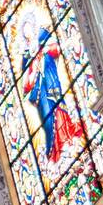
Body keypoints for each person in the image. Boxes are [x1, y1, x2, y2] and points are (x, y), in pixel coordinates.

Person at [19, 11, 83, 164]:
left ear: (33, 27)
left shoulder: (43, 36)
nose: (27, 31)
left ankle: (66, 140)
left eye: (28, 27)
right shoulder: (26, 54)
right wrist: (33, 72)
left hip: (51, 81)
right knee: (46, 119)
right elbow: (24, 83)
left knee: (58, 108)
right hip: (39, 91)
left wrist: (45, 50)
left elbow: (56, 48)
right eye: (24, 30)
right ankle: (54, 150)